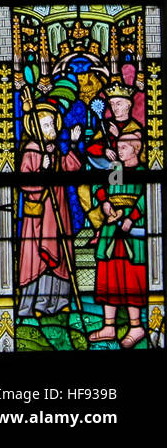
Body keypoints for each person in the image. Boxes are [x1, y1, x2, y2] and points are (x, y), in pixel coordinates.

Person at [17, 99, 82, 320]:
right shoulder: (31, 151)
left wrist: (72, 144)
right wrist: (41, 169)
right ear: (34, 128)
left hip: (57, 212)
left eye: (53, 124)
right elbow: (26, 183)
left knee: (60, 253)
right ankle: (32, 304)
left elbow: (72, 168)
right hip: (38, 215)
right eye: (46, 125)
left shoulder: (52, 150)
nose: (51, 129)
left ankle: (56, 302)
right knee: (36, 257)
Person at [87, 128, 147, 348]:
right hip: (112, 228)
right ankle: (109, 326)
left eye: (123, 147)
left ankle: (136, 326)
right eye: (118, 146)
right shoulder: (117, 170)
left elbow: (146, 198)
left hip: (132, 229)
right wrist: (104, 202)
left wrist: (132, 217)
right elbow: (103, 189)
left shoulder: (142, 171)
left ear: (135, 149)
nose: (118, 151)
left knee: (132, 275)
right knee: (108, 273)